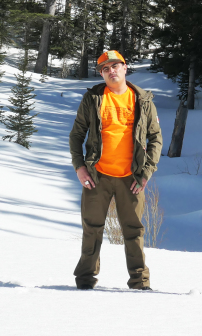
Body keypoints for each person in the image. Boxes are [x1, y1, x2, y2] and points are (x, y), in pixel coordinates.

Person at [69, 49, 163, 290]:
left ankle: (140, 282)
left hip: (131, 178)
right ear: (101, 74)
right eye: (105, 68)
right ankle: (85, 280)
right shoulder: (93, 99)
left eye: (115, 66)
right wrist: (80, 167)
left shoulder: (142, 100)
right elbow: (77, 134)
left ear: (124, 67)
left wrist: (146, 173)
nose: (111, 71)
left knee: (133, 231)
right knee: (92, 229)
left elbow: (155, 138)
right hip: (97, 176)